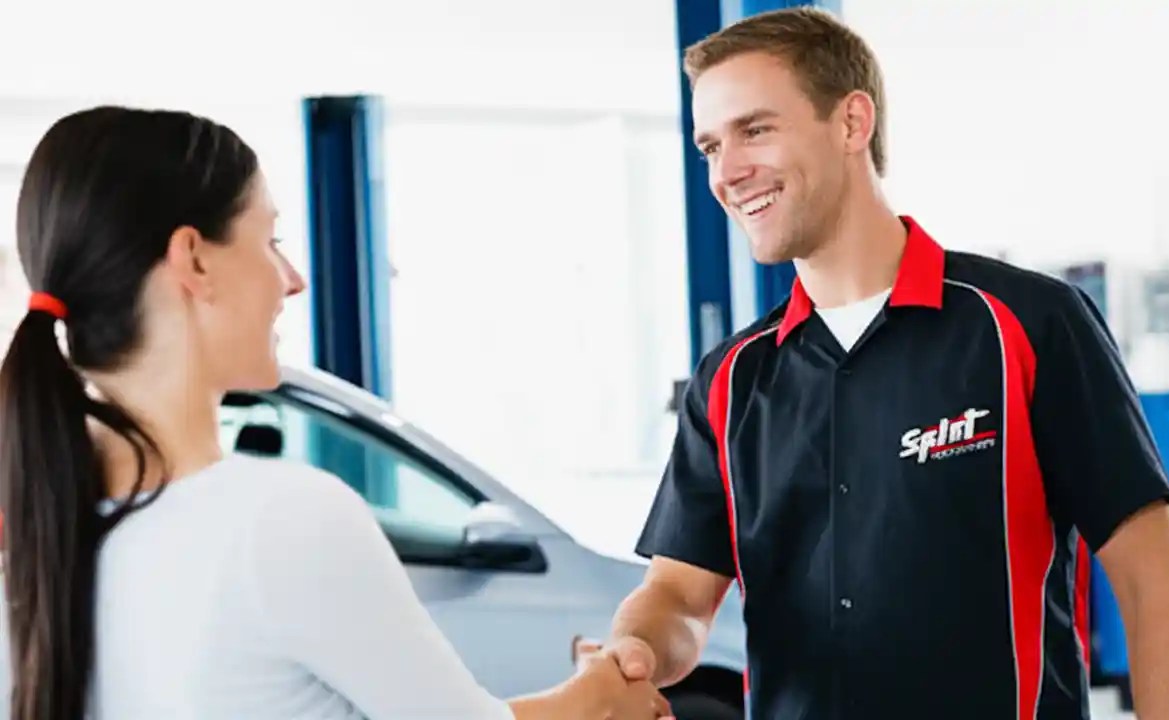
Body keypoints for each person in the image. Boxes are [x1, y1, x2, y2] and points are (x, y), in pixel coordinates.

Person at [599, 7, 1169, 719]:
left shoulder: (1026, 324)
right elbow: (678, 595)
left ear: (852, 123)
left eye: (755, 130)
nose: (727, 172)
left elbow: (1153, 581)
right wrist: (634, 649)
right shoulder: (731, 381)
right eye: (709, 146)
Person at [0, 106, 673, 720]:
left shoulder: (47, 525)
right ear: (195, 260)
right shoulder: (277, 517)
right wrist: (599, 696)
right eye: (270, 241)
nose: (291, 279)